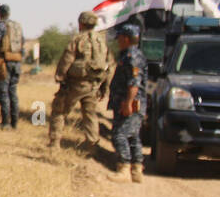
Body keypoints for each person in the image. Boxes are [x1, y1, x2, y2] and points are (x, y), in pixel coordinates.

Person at [47, 10, 112, 153]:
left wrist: (60, 77)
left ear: (81, 23)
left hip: (75, 84)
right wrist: (104, 87)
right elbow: (109, 66)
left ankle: (54, 143)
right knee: (90, 116)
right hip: (94, 85)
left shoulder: (78, 39)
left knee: (59, 111)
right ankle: (92, 147)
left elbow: (67, 59)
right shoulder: (101, 42)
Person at [106, 23, 147, 183]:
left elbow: (133, 83)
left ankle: (124, 169)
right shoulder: (130, 55)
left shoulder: (132, 57)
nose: (118, 41)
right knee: (133, 136)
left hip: (129, 103)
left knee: (119, 134)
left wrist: (128, 103)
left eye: (120, 38)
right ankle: (137, 170)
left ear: (125, 38)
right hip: (128, 102)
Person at [0, 4, 25, 129]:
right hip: (17, 62)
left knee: (2, 92)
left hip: (4, 63)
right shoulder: (17, 26)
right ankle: (14, 122)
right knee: (12, 92)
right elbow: (22, 43)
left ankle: (5, 122)